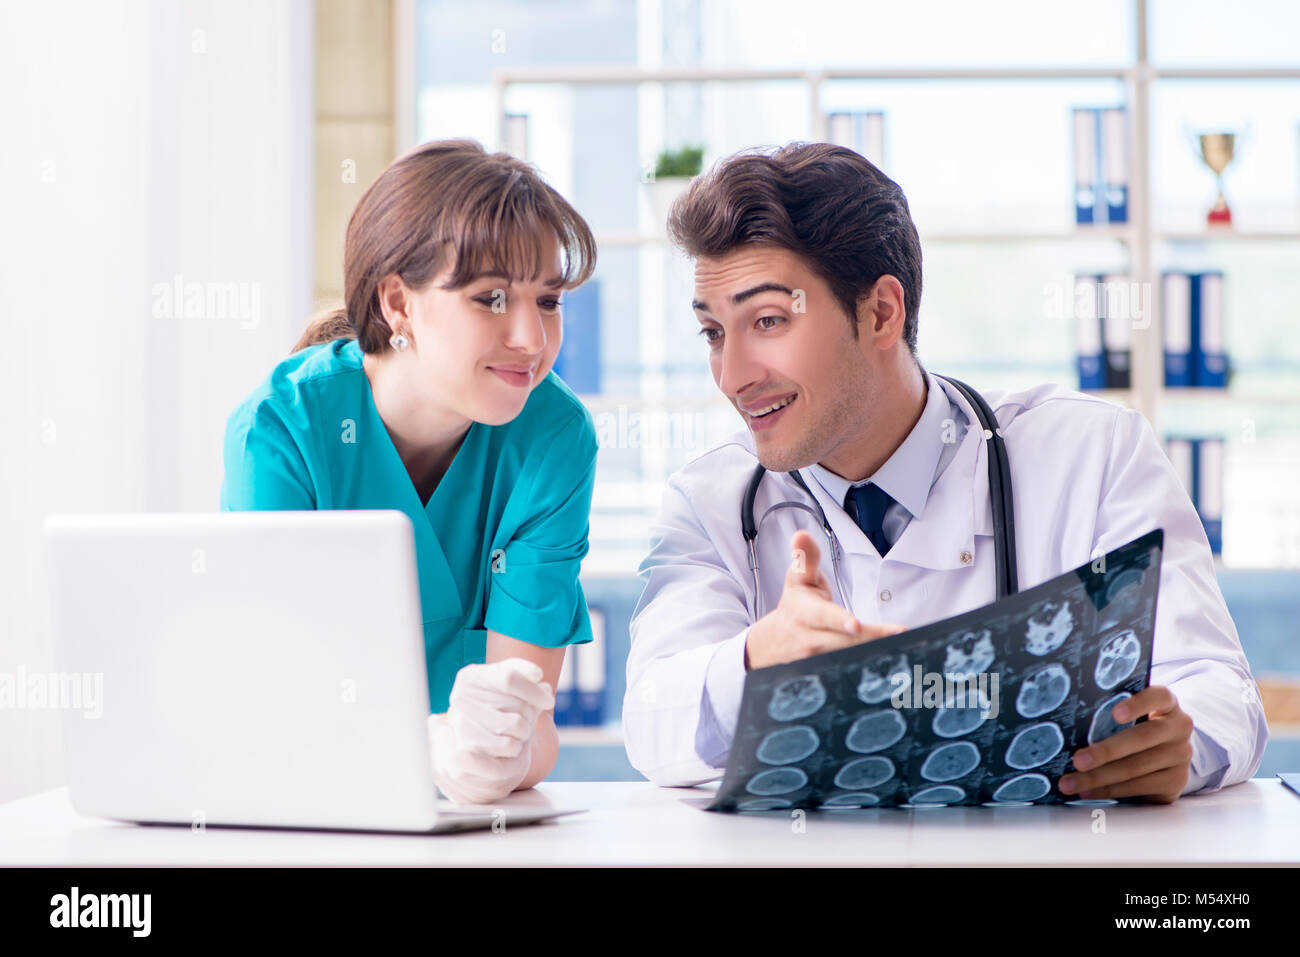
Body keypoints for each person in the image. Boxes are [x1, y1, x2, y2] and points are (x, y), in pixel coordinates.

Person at [623, 141, 1268, 803]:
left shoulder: (1094, 452)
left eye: (767, 321)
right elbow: (649, 717)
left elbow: (1222, 689)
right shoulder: (709, 500)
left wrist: (1180, 746)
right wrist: (756, 658)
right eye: (714, 332)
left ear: (881, 312)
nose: (732, 377)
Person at [221, 139, 599, 805]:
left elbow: (534, 727)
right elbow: (273, 707)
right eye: (491, 298)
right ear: (399, 304)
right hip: (308, 813)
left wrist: (498, 756)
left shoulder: (552, 437)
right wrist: (424, 744)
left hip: (471, 826)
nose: (532, 339)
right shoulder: (283, 433)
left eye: (548, 300)